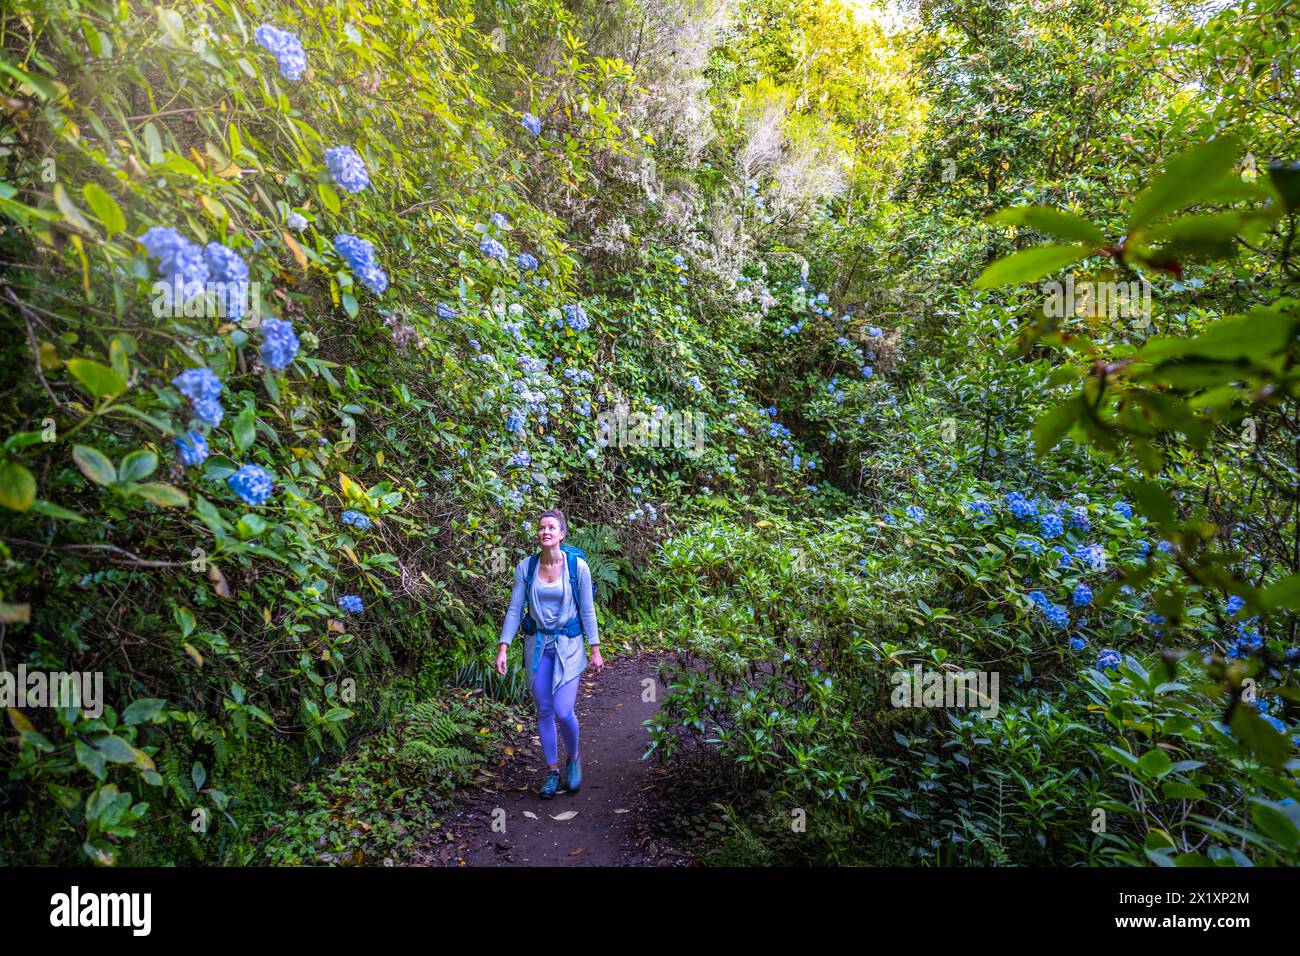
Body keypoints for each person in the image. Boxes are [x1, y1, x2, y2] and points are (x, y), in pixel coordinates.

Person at [496, 508, 604, 798]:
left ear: (562, 534)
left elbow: (587, 610)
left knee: (563, 710)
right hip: (538, 646)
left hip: (569, 646)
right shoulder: (526, 568)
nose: (546, 532)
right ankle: (553, 771)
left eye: (551, 528)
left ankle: (574, 758)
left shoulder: (577, 568)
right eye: (542, 527)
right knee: (543, 710)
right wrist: (504, 647)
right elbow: (515, 609)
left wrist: (595, 648)